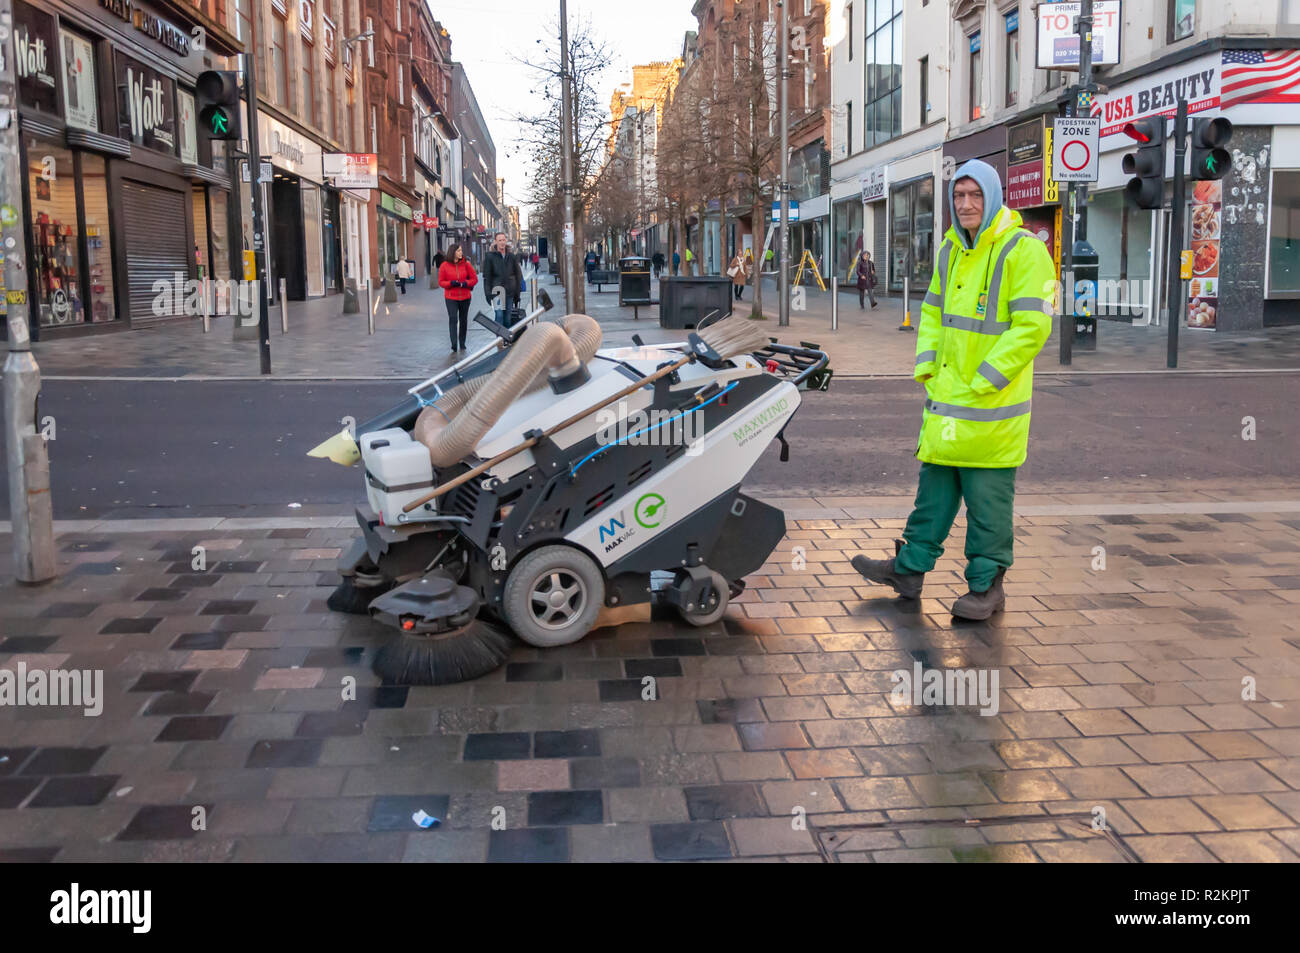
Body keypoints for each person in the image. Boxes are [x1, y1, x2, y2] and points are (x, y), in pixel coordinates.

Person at [851, 158, 1055, 621]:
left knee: (988, 504)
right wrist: (926, 364)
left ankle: (987, 588)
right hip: (947, 401)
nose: (965, 204)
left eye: (974, 195)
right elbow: (932, 312)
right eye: (958, 196)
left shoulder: (1023, 250)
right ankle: (909, 570)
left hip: (990, 407)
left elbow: (1033, 326)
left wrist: (985, 378)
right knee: (934, 495)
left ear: (993, 197)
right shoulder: (949, 250)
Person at [438, 243, 477, 352]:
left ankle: (462, 342)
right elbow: (441, 282)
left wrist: (466, 283)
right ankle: (454, 343)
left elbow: (474, 279)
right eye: (459, 251)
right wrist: (451, 283)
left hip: (465, 297)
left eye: (461, 250)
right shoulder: (444, 265)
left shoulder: (466, 264)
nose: (461, 252)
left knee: (463, 320)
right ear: (453, 252)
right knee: (453, 318)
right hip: (451, 297)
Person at [483, 231, 523, 326]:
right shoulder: (490, 257)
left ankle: (506, 340)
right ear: (495, 242)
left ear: (506, 241)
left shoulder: (512, 257)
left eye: (503, 240)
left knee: (508, 318)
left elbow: (518, 275)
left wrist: (517, 293)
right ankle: (499, 340)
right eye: (499, 240)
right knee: (499, 315)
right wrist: (488, 294)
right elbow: (487, 277)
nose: (502, 242)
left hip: (510, 291)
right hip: (497, 291)